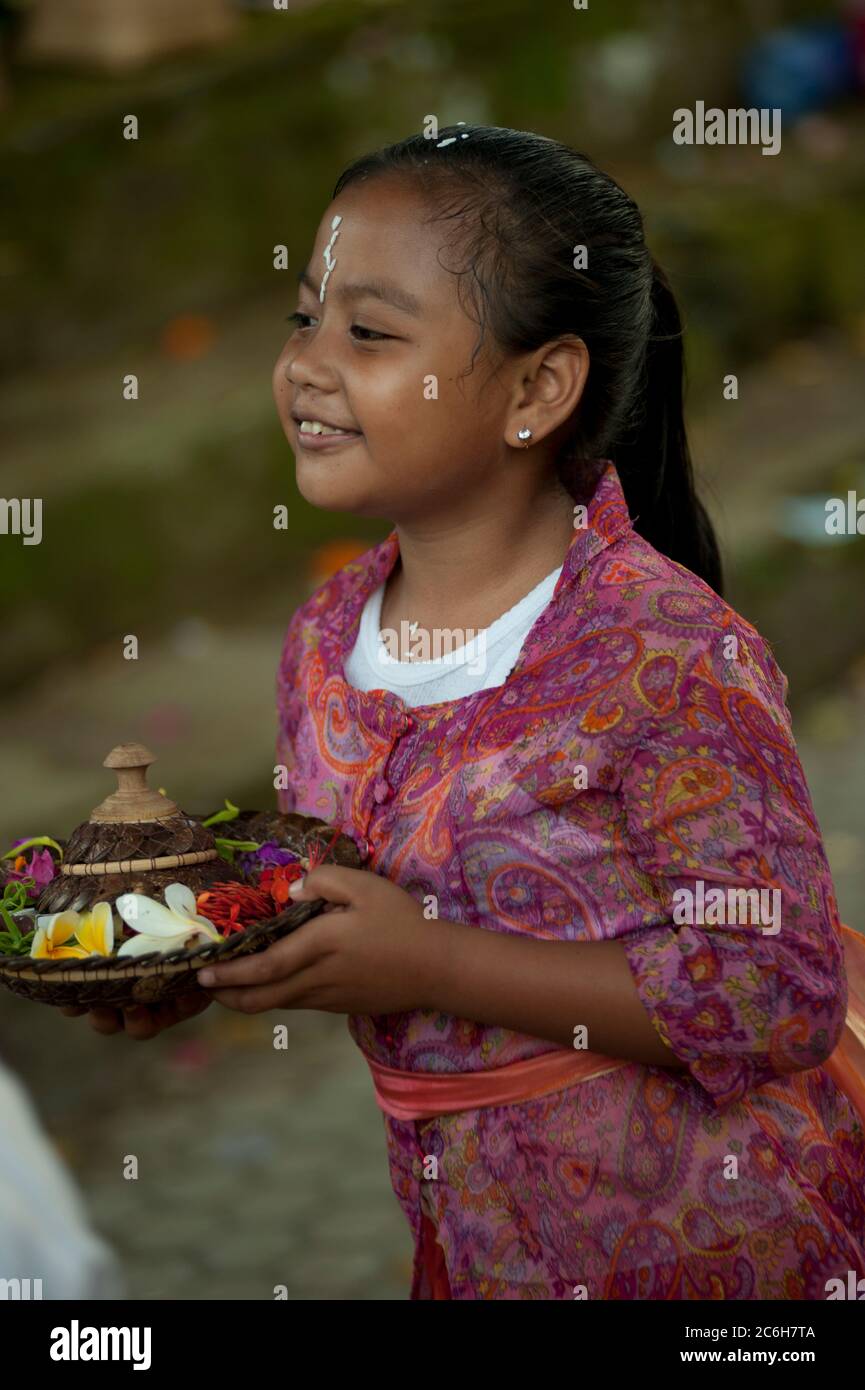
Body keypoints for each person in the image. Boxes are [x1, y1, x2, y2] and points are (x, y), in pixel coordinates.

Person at [70, 126, 865, 1300]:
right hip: (475, 1247)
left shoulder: (665, 656)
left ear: (537, 387)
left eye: (370, 333)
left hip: (710, 1255)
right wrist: (205, 960)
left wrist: (431, 960)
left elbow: (774, 991)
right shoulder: (323, 638)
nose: (306, 365)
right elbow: (350, 888)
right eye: (303, 319)